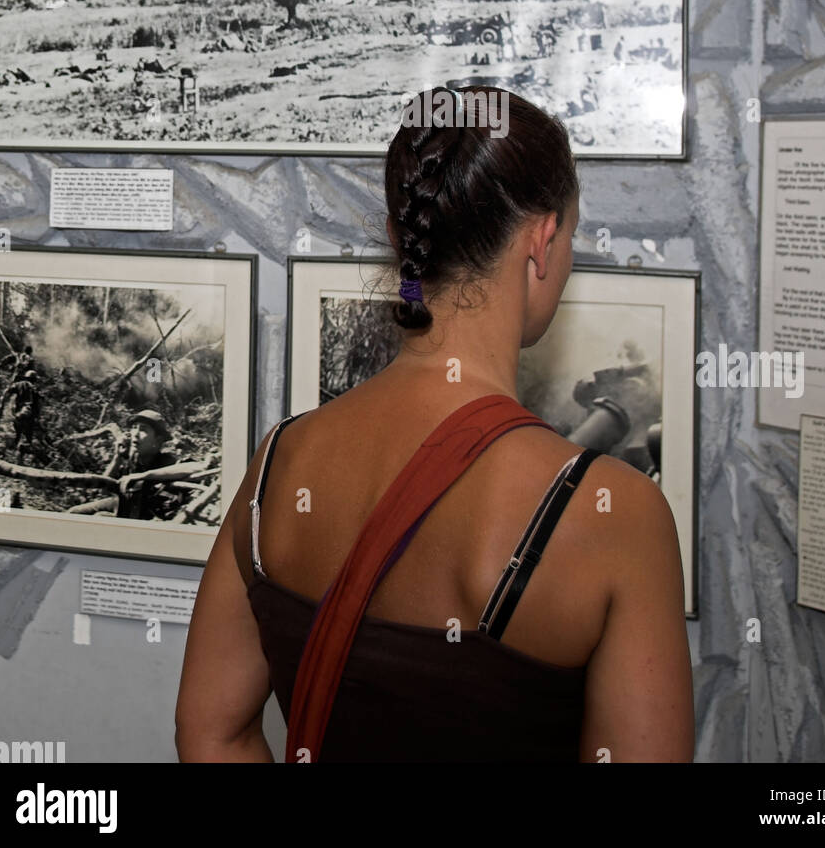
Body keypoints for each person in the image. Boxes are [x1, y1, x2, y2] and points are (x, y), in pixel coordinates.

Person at [176, 86, 693, 763]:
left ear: (402, 241)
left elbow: (210, 732)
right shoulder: (613, 515)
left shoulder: (281, 464)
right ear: (542, 241)